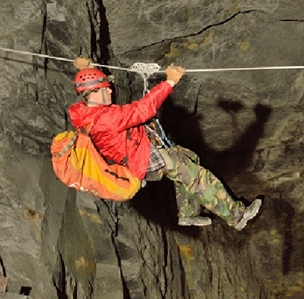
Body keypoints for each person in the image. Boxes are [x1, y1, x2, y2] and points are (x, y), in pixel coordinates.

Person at [68, 57, 262, 229]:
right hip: (140, 161)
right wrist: (170, 81)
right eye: (105, 88)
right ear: (94, 93)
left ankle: (188, 214)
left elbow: (88, 90)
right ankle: (237, 217)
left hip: (135, 151)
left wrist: (85, 69)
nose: (110, 90)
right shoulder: (105, 118)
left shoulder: (83, 111)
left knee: (189, 157)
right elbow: (143, 110)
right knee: (196, 175)